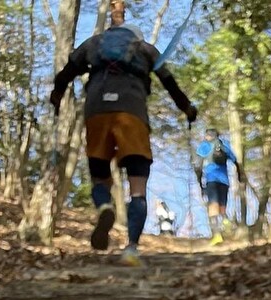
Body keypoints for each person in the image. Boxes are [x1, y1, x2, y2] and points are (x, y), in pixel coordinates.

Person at [49, 0, 198, 264]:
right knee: (137, 187)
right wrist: (187, 109)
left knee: (100, 178)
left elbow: (65, 75)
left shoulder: (94, 44)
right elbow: (169, 82)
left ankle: (104, 206)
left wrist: (57, 98)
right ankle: (130, 248)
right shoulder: (144, 48)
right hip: (132, 114)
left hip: (97, 112)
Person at [194, 127, 244, 244]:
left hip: (211, 180)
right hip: (225, 181)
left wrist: (200, 182)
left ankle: (217, 235)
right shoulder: (224, 145)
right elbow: (235, 161)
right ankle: (226, 221)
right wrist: (240, 177)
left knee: (213, 207)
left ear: (207, 135)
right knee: (222, 207)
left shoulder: (204, 145)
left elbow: (198, 166)